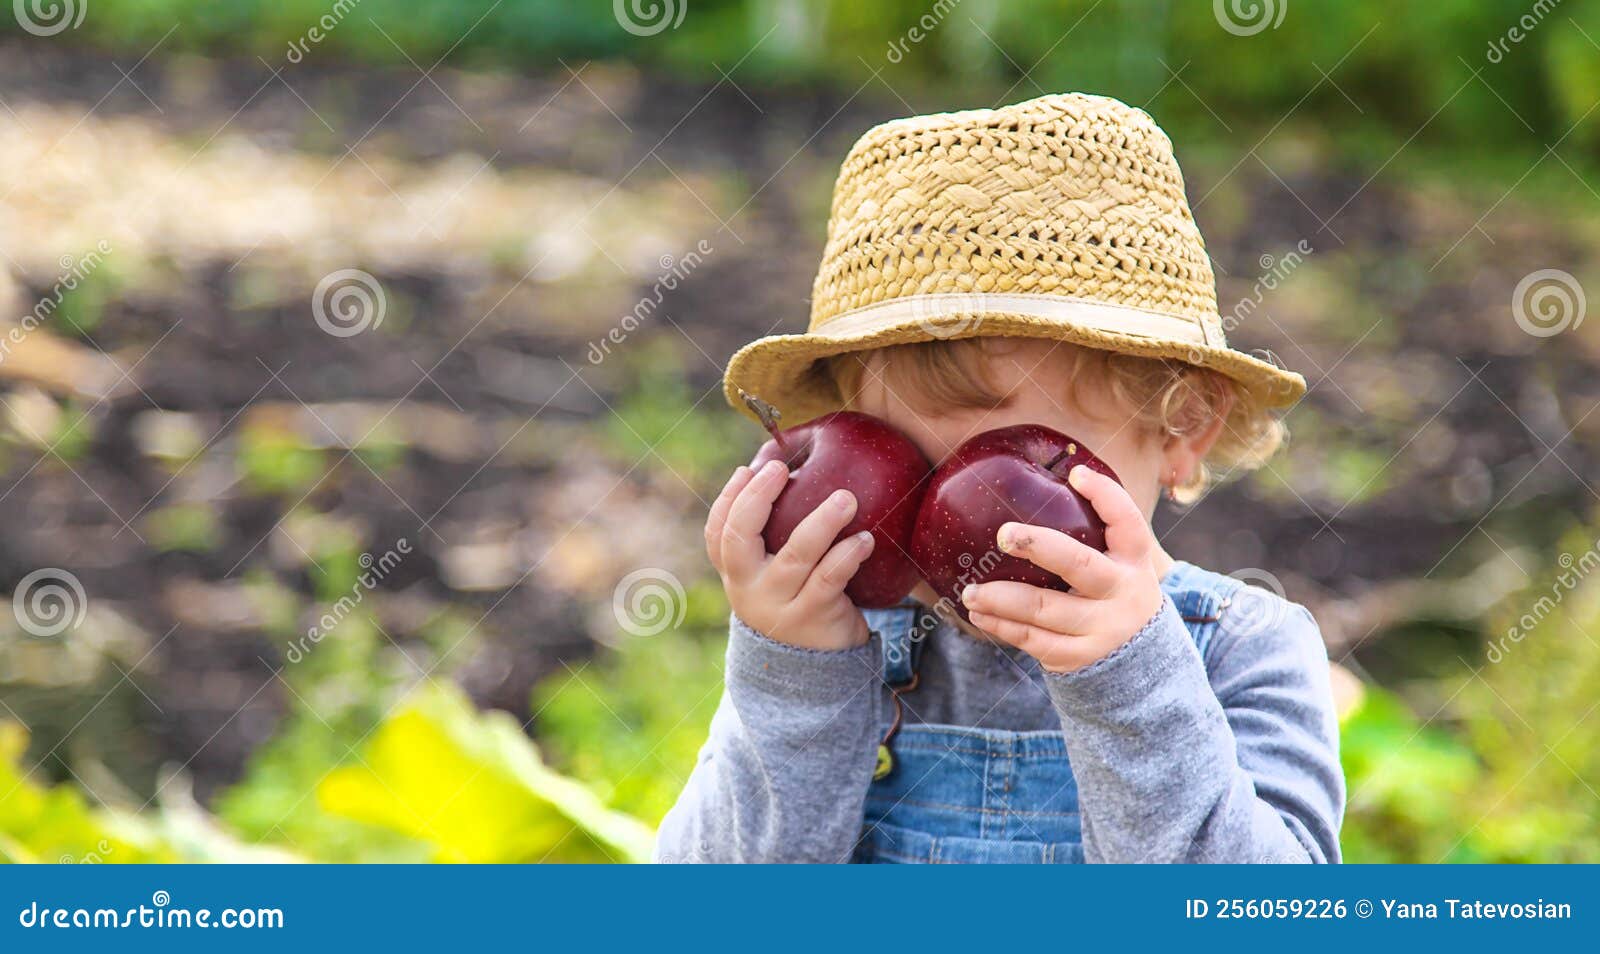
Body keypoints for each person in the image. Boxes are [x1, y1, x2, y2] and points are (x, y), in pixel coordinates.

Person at [656, 93, 1343, 863]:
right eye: (906, 467)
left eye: (1011, 464)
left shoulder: (1244, 651)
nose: (945, 528)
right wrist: (792, 680)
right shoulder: (840, 645)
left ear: (1182, 431)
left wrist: (1131, 685)